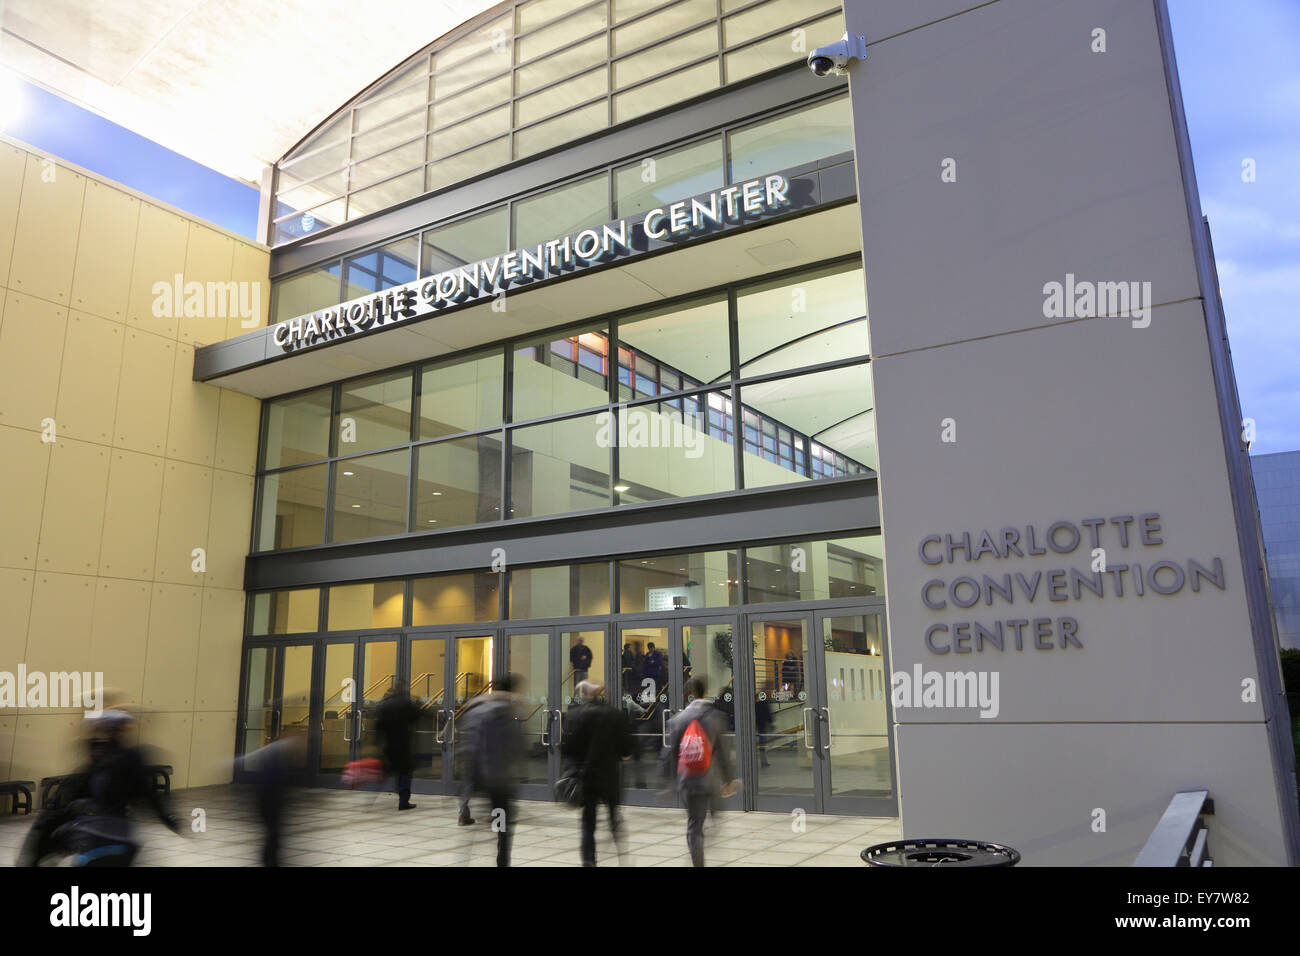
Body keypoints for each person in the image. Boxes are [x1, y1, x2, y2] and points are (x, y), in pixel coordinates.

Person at [19, 710, 181, 867]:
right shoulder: (131, 758)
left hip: (89, 836)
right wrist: (169, 819)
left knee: (50, 827)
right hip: (123, 838)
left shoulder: (91, 768)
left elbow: (55, 814)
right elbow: (147, 795)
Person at [661, 677, 739, 867]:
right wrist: (728, 781)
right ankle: (711, 820)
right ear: (705, 692)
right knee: (713, 816)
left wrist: (669, 783)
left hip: (688, 781)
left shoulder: (677, 720)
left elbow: (670, 755)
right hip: (710, 781)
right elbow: (723, 753)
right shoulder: (716, 717)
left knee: (694, 825)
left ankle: (698, 858)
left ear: (688, 695)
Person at [562, 680, 632, 866]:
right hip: (610, 777)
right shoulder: (616, 715)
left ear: (585, 694)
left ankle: (589, 860)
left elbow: (567, 749)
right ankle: (621, 857)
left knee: (588, 822)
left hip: (587, 778)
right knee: (614, 818)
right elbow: (627, 751)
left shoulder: (575, 716)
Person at [457, 673, 524, 866]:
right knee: (502, 828)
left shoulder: (475, 708)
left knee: (472, 839)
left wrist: (468, 778)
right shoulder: (506, 711)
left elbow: (468, 745)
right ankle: (501, 859)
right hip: (499, 783)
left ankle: (466, 859)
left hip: (479, 778)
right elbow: (516, 747)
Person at [375, 686, 420, 810]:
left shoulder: (384, 705)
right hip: (403, 745)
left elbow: (378, 726)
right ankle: (403, 801)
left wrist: (377, 743)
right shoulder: (405, 703)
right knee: (405, 773)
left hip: (389, 746)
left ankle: (373, 795)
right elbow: (415, 717)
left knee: (392, 772)